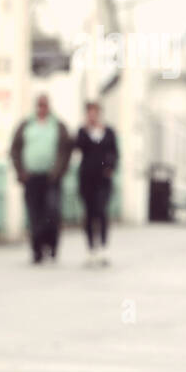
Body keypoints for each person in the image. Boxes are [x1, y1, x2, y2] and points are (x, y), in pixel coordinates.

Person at [9, 94, 73, 263]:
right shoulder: (26, 125)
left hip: (52, 178)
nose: (42, 108)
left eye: (45, 105)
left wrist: (59, 170)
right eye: (39, 105)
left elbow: (67, 149)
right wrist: (20, 171)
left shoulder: (58, 125)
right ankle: (37, 249)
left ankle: (52, 244)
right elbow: (15, 149)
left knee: (52, 211)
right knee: (34, 214)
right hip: (31, 177)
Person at [73, 101, 119, 266]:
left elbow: (115, 152)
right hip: (87, 179)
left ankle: (104, 247)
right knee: (89, 213)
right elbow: (77, 147)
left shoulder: (108, 132)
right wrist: (85, 130)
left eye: (95, 112)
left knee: (101, 211)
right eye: (89, 113)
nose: (92, 116)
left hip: (103, 179)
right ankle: (91, 249)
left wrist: (111, 167)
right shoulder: (82, 131)